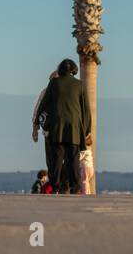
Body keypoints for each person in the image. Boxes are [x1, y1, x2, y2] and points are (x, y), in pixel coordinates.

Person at [39, 59, 93, 194]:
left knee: (57, 158)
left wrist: (38, 123)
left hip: (57, 126)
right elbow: (85, 109)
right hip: (74, 127)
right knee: (73, 158)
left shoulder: (54, 83)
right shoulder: (79, 85)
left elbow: (45, 103)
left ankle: (55, 186)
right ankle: (75, 186)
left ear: (61, 69)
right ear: (74, 69)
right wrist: (87, 129)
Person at [30, 70, 58, 182]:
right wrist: (35, 129)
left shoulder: (46, 92)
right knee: (52, 160)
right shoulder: (45, 92)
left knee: (53, 160)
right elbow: (37, 111)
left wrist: (35, 130)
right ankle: (56, 183)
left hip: (52, 131)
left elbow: (37, 111)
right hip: (50, 132)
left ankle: (57, 183)